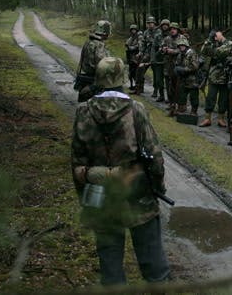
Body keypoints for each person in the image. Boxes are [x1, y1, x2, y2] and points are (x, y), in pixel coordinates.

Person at [71, 57, 170, 285]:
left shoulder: (83, 112)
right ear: (122, 79)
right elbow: (154, 157)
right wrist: (157, 188)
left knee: (110, 263)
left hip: (100, 195)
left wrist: (85, 196)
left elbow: (77, 161)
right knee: (153, 263)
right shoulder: (136, 110)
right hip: (137, 194)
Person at [199, 28, 232, 127]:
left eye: (217, 34)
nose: (216, 36)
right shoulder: (211, 43)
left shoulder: (230, 43)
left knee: (223, 100)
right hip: (213, 75)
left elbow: (219, 52)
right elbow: (203, 51)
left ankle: (221, 119)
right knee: (210, 98)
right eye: (214, 35)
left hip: (225, 76)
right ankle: (207, 118)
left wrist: (221, 40)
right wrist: (209, 40)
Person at [74, 20, 111, 102]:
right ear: (106, 32)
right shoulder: (99, 45)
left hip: (83, 77)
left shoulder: (88, 42)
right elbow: (102, 64)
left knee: (83, 105)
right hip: (93, 80)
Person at [174, 36, 200, 115]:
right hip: (183, 79)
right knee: (181, 96)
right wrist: (177, 69)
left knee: (194, 97)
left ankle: (194, 112)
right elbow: (177, 64)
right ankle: (181, 109)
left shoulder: (192, 53)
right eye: (180, 46)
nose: (181, 47)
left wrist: (184, 70)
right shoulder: (180, 54)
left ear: (186, 45)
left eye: (183, 45)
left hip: (193, 79)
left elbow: (195, 66)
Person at [133, 17, 157, 95]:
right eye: (148, 23)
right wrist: (140, 52)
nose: (150, 24)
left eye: (151, 23)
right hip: (147, 54)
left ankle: (156, 91)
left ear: (154, 23)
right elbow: (143, 43)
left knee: (156, 74)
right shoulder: (146, 32)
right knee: (140, 70)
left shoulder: (158, 31)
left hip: (156, 55)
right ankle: (138, 88)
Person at [162, 22, 182, 114]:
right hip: (168, 65)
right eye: (171, 29)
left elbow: (184, 49)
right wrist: (163, 49)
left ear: (177, 30)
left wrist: (172, 51)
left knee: (178, 86)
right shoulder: (167, 38)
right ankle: (171, 103)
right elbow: (162, 47)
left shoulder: (182, 38)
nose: (172, 30)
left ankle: (179, 105)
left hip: (179, 65)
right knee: (169, 86)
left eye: (174, 29)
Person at [151, 19, 171, 102]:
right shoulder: (157, 36)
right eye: (163, 25)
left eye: (166, 25)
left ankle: (169, 97)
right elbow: (153, 48)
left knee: (168, 81)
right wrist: (153, 59)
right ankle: (161, 95)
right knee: (159, 80)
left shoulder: (171, 36)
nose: (165, 26)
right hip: (158, 61)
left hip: (168, 61)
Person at [125, 24, 142, 91]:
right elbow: (127, 45)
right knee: (131, 73)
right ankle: (132, 85)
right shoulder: (131, 38)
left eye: (134, 30)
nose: (133, 31)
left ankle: (138, 86)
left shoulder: (139, 37)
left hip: (136, 57)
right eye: (132, 30)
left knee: (136, 73)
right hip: (131, 57)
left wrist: (132, 47)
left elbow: (140, 45)